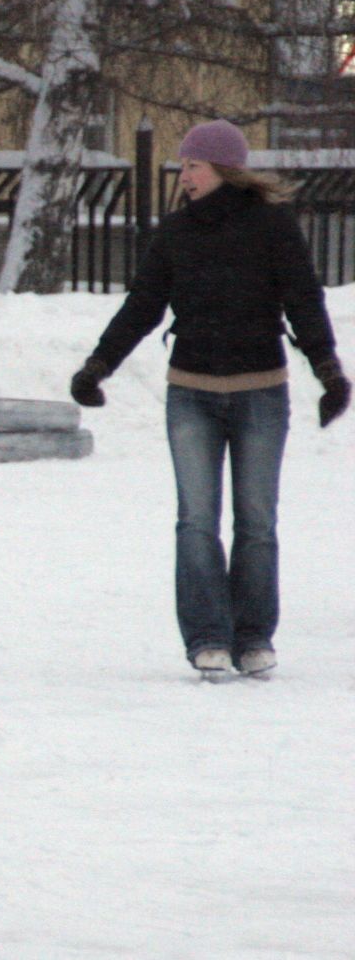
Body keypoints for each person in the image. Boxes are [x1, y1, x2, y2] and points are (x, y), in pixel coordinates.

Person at [69, 119, 345, 679]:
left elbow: (304, 301)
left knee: (256, 520)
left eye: (192, 165)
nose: (184, 174)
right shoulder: (175, 233)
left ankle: (253, 637)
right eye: (184, 165)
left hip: (260, 392)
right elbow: (143, 307)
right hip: (191, 392)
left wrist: (329, 370)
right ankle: (206, 638)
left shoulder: (273, 228)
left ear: (222, 169)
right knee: (195, 520)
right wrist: (98, 365)